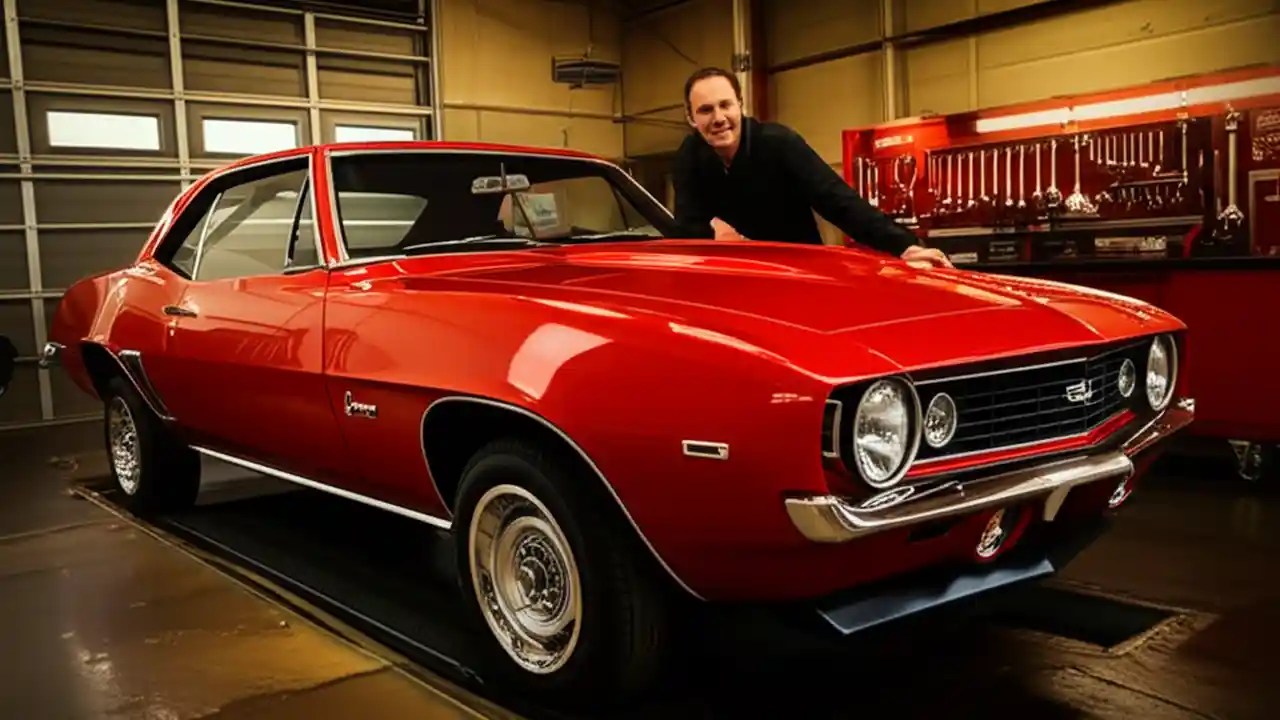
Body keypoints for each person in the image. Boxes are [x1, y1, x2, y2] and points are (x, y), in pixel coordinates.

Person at [672, 66, 952, 269]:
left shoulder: (778, 143)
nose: (719, 118)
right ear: (691, 117)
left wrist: (903, 246)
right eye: (706, 110)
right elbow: (686, 226)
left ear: (740, 106)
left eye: (725, 105)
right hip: (742, 274)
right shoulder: (689, 156)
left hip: (802, 267)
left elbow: (836, 199)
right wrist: (714, 234)